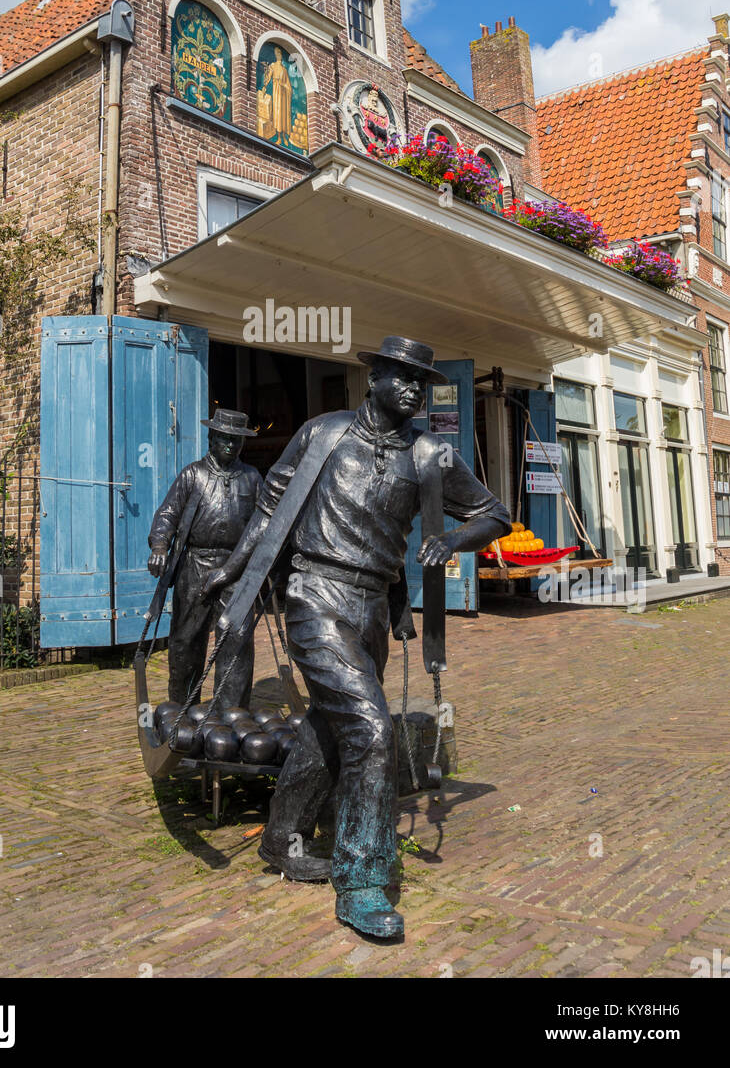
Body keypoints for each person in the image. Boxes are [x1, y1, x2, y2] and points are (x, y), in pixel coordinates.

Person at [201, 336, 510, 939]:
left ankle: (282, 836)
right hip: (315, 593)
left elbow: (494, 514)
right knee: (370, 728)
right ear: (373, 379)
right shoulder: (323, 434)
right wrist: (233, 575)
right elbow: (269, 512)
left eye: (421, 380)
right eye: (400, 376)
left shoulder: (429, 457)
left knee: (329, 725)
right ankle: (363, 879)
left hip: (373, 607)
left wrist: (451, 540)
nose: (412, 389)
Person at [148, 408, 262, 709]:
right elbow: (167, 514)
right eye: (224, 438)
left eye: (236, 440)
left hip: (236, 568)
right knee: (187, 638)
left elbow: (264, 523)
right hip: (195, 565)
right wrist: (160, 546)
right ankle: (183, 706)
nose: (230, 445)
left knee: (236, 640)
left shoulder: (251, 478)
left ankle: (232, 710)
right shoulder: (192, 474)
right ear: (211, 438)